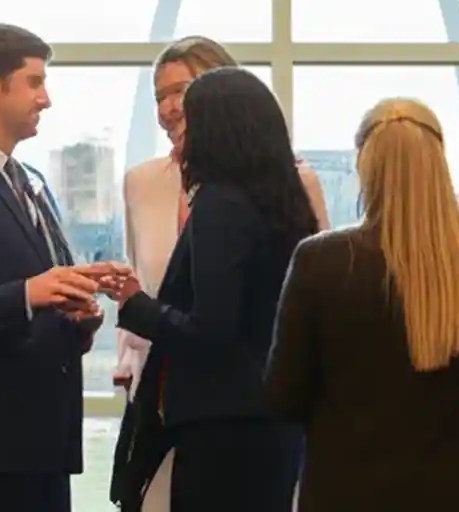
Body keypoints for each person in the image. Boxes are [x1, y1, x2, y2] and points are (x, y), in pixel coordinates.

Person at [266, 98, 459, 511]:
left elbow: (284, 397)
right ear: (439, 168)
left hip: (344, 494)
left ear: (364, 168)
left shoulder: (319, 262)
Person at [111, 35, 328, 510]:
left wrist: (135, 305)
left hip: (217, 425)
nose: (172, 112)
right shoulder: (281, 199)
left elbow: (211, 330)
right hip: (276, 420)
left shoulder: (219, 204)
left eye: (186, 100)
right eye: (161, 97)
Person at [0, 23, 127, 511]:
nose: (46, 99)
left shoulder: (29, 180)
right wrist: (27, 294)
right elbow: (21, 292)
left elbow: (36, 292)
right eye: (34, 82)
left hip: (40, 448)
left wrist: (76, 313)